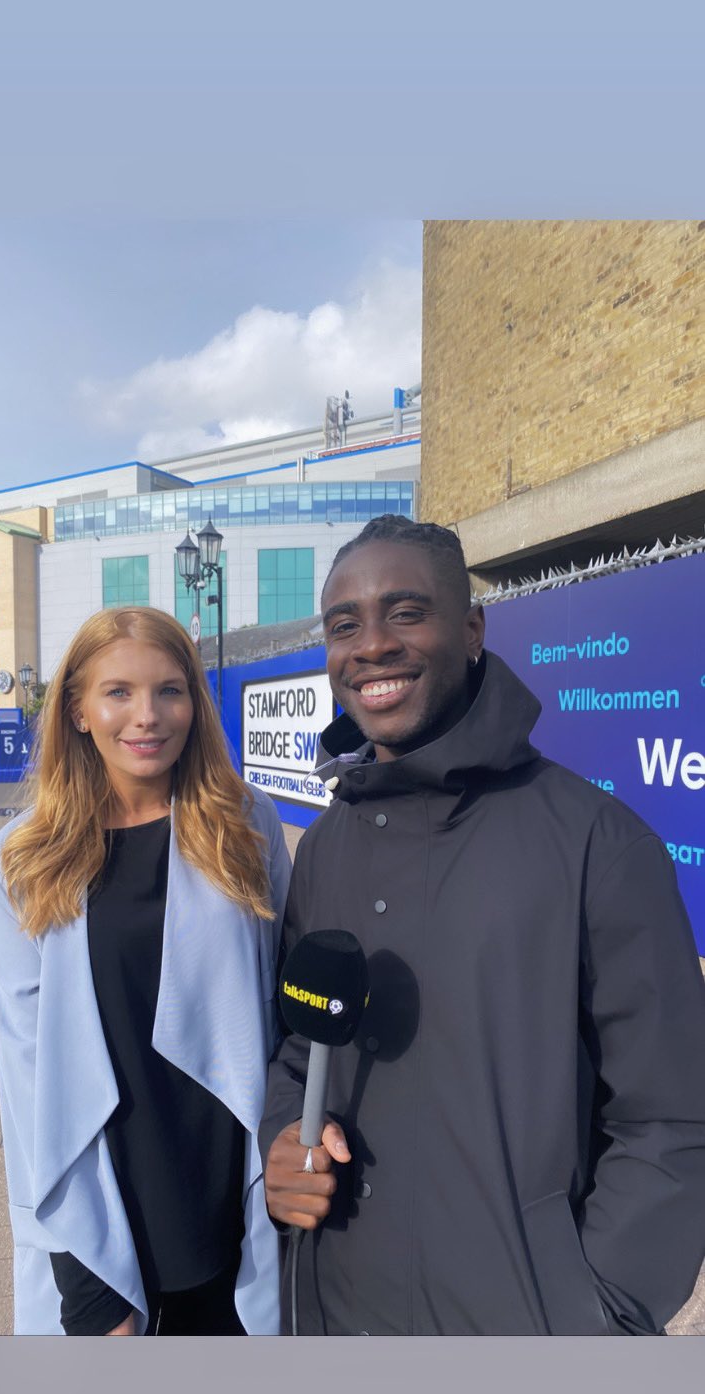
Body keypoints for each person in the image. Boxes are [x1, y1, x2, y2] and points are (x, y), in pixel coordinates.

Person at [260, 515, 705, 1336]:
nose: (372, 646)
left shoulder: (598, 845)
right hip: (333, 1312)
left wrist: (598, 1313)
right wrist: (284, 1137)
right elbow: (296, 1047)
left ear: (471, 630)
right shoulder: (323, 849)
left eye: (406, 612)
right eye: (344, 624)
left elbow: (671, 1119)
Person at [0, 607, 291, 1335]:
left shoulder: (246, 828)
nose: (147, 716)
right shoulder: (23, 857)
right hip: (102, 1204)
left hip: (230, 1207)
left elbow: (278, 1018)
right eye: (118, 692)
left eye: (170, 691)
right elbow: (27, 1072)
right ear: (78, 711)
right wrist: (79, 1274)